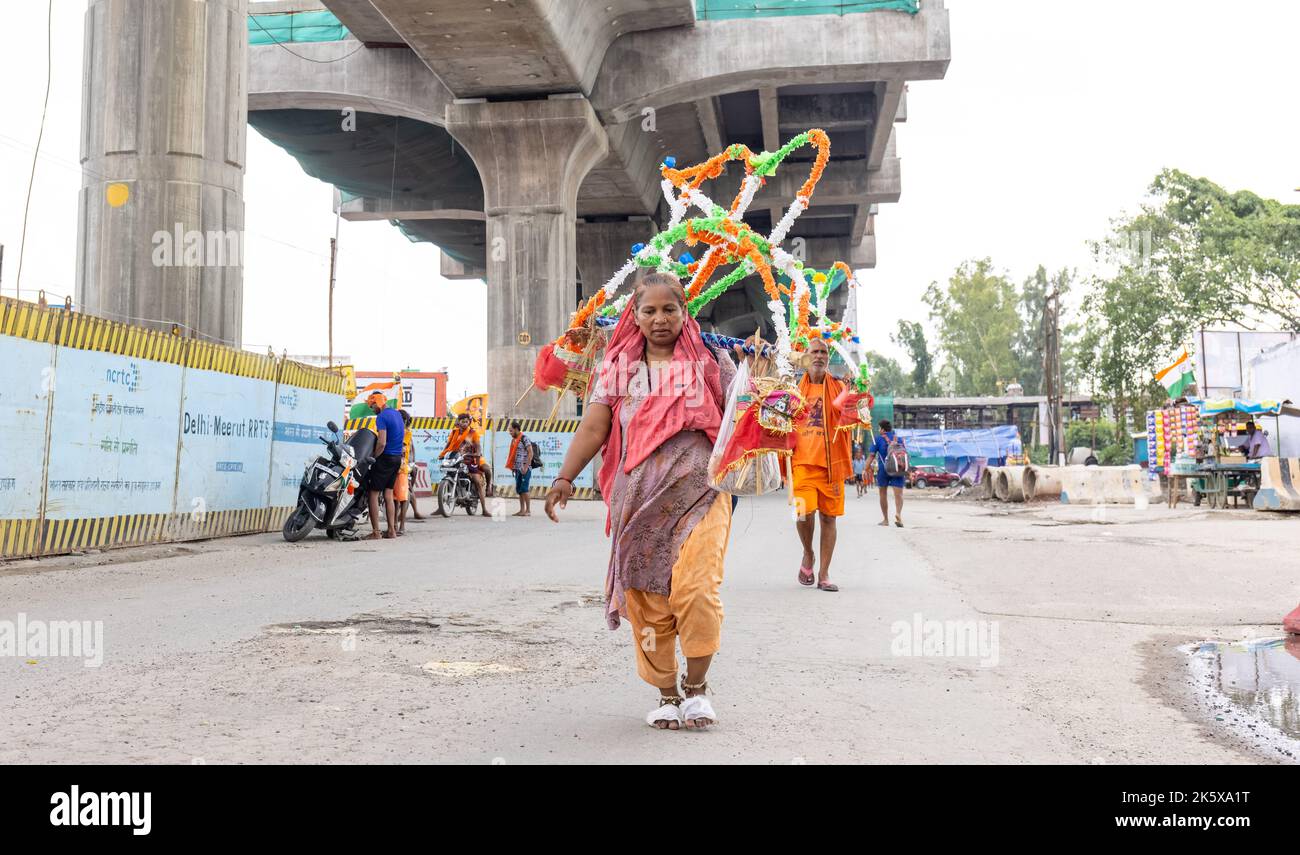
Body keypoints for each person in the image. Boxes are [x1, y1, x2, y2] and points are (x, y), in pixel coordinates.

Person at [545, 272, 739, 731]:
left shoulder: (714, 362)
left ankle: (697, 689)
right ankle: (667, 694)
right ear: (633, 315)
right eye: (648, 311)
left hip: (702, 496)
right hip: (638, 506)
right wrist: (564, 477)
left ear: (684, 310)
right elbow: (594, 428)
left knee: (696, 589)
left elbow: (744, 414)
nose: (659, 319)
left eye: (669, 309)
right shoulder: (618, 370)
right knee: (648, 600)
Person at [791, 337, 853, 593]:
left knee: (829, 518)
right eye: (814, 352)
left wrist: (856, 391)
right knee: (803, 513)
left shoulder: (839, 387)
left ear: (828, 358)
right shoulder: (793, 388)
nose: (818, 356)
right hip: (802, 463)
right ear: (805, 357)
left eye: (823, 352)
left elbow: (856, 415)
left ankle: (824, 573)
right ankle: (808, 553)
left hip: (832, 465)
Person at [364, 392, 404, 540]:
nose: (372, 409)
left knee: (373, 494)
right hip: (397, 458)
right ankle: (392, 530)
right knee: (388, 494)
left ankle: (376, 532)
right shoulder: (397, 414)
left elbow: (382, 442)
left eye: (372, 406)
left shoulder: (382, 417)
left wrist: (373, 457)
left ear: (376, 403)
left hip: (385, 458)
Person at [441, 413, 493, 496]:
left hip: (472, 457)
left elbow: (478, 445)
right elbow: (448, 443)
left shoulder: (472, 433)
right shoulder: (454, 432)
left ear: (469, 422)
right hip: (457, 457)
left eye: (466, 421)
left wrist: (478, 453)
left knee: (486, 468)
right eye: (462, 421)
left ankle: (488, 487)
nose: (464, 423)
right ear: (458, 422)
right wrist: (443, 454)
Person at [874, 419, 906, 528]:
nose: (878, 430)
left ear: (882, 429)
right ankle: (898, 514)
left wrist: (866, 468)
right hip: (898, 468)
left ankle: (886, 519)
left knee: (883, 494)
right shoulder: (899, 439)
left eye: (879, 428)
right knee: (899, 494)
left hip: (884, 469)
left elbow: (871, 455)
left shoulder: (878, 439)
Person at [395, 408, 423, 533]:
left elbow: (410, 454)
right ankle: (394, 524)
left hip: (403, 468)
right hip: (392, 467)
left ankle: (402, 525)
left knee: (404, 496)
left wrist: (410, 467)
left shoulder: (407, 434)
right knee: (394, 497)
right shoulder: (392, 432)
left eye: (401, 420)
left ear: (406, 421)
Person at [507, 421, 534, 517]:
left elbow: (530, 452)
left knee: (524, 489)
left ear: (516, 429)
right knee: (519, 490)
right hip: (517, 468)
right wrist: (514, 468)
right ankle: (522, 510)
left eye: (511, 430)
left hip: (524, 468)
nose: (509, 432)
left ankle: (528, 510)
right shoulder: (514, 440)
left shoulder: (524, 438)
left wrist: (526, 467)